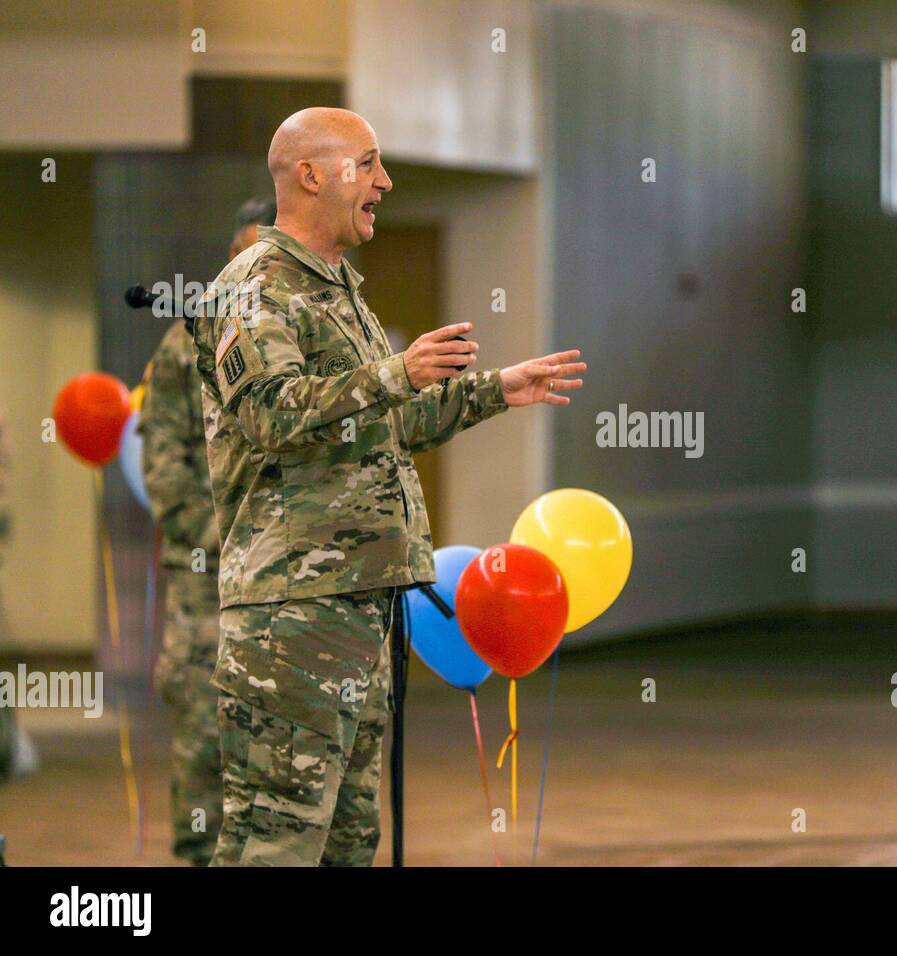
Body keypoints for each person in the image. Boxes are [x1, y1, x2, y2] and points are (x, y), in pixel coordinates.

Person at [192, 107, 585, 866]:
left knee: (348, 839)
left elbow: (386, 421)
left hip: (358, 605)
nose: (385, 182)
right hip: (292, 615)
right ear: (311, 174)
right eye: (367, 164)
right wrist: (392, 372)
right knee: (275, 839)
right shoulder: (252, 289)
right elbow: (272, 414)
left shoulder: (338, 288)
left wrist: (496, 389)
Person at [138, 197, 276, 864]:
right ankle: (198, 852)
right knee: (203, 722)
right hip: (206, 578)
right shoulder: (184, 342)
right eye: (246, 257)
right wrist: (224, 537)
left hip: (286, 578)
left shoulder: (302, 338)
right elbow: (163, 460)